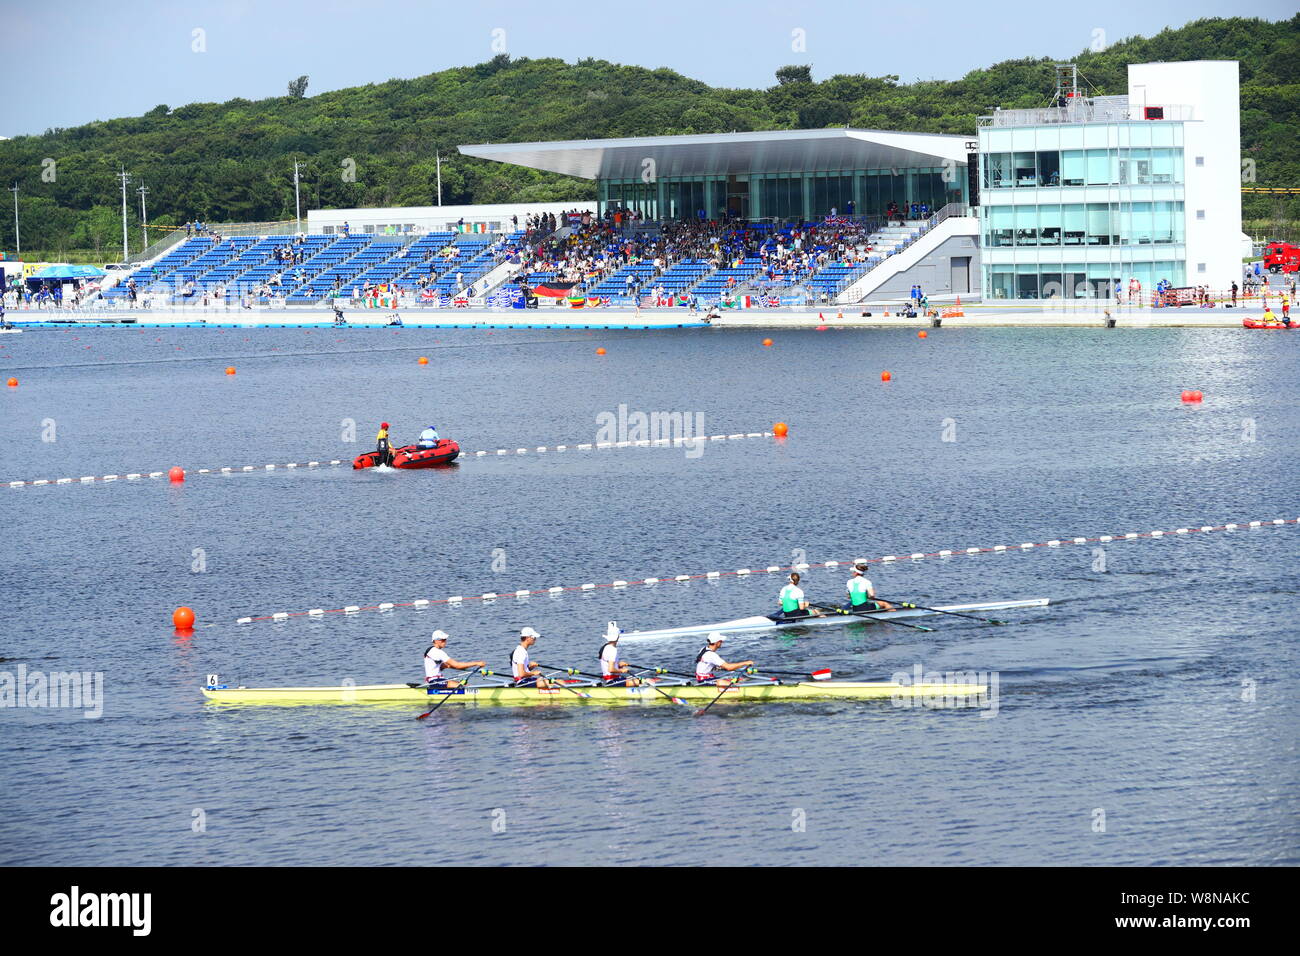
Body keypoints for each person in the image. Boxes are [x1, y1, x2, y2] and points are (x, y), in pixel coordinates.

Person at [597, 621, 639, 686]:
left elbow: (607, 664)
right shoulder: (612, 650)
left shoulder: (605, 647)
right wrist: (622, 671)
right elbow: (610, 669)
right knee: (644, 681)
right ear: (617, 637)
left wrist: (618, 664)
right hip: (613, 682)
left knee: (637, 680)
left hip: (609, 680)